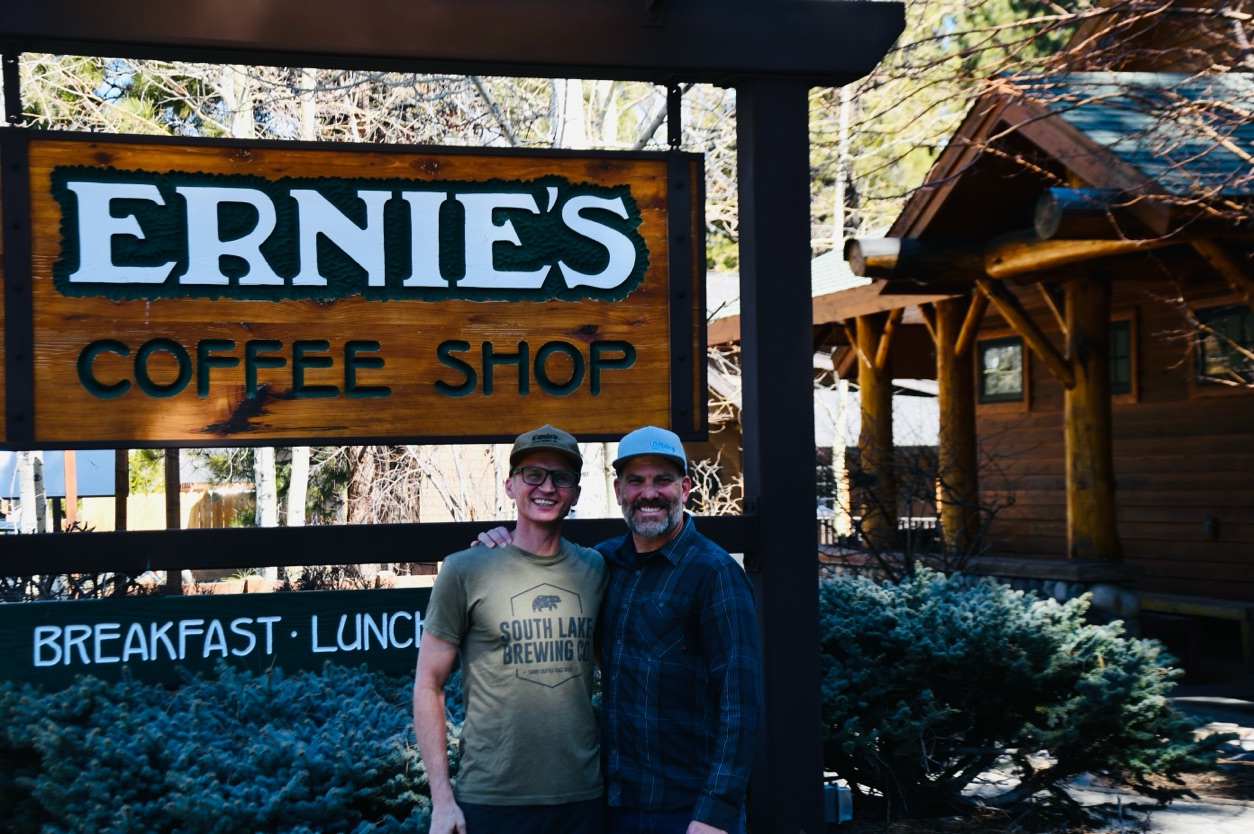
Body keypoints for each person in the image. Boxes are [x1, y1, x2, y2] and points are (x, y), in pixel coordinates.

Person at [479, 425, 761, 834]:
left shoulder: (715, 574)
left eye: (662, 480)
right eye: (636, 481)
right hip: (610, 803)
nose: (649, 493)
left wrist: (714, 814)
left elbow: (740, 705)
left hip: (686, 811)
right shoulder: (603, 562)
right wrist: (500, 542)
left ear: (684, 487)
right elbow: (537, 564)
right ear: (618, 490)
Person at [413, 424, 608, 834]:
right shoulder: (465, 569)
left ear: (574, 491)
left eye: (561, 477)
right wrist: (442, 799)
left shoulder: (596, 568)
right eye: (533, 474)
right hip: (491, 801)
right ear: (509, 485)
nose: (547, 487)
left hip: (583, 799)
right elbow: (427, 683)